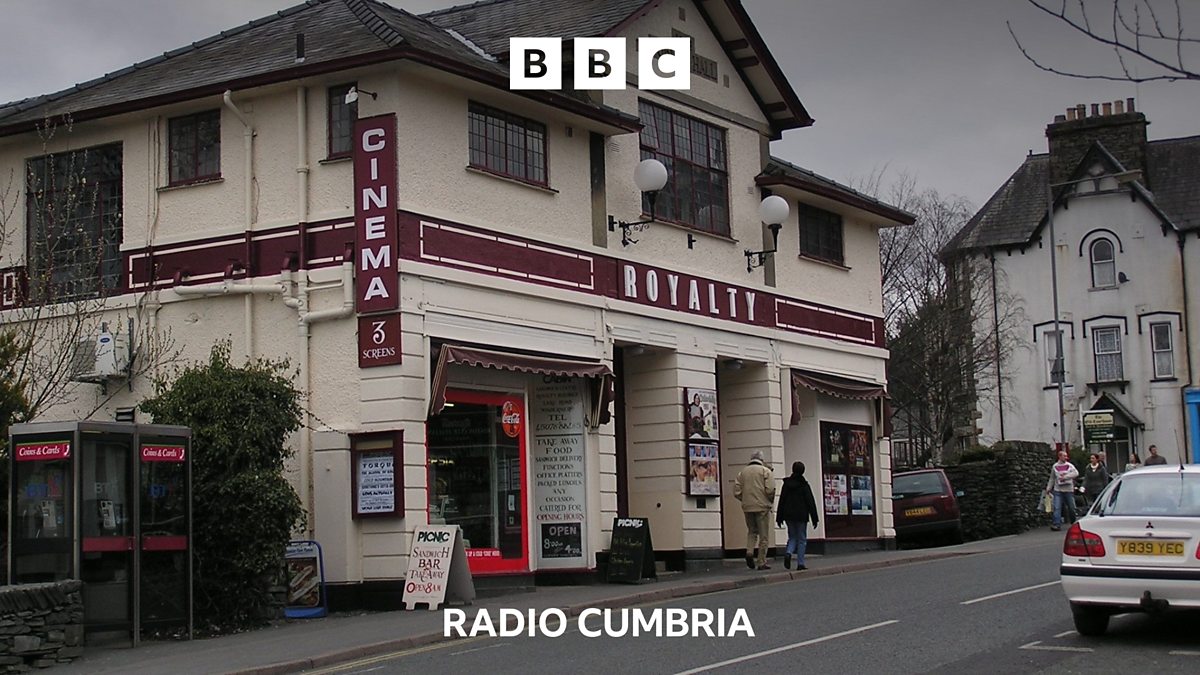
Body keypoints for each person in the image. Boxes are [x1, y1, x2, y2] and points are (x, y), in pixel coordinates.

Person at [734, 450, 775, 570]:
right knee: (764, 536)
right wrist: (769, 500)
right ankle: (761, 561)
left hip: (747, 506)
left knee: (752, 531)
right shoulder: (765, 471)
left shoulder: (742, 472)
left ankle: (749, 552)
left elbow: (737, 491)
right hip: (762, 506)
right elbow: (770, 489)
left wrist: (744, 499)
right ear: (761, 459)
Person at [775, 461, 819, 570]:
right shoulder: (804, 485)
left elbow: (782, 500)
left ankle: (789, 552)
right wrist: (815, 518)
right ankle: (800, 563)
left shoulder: (786, 484)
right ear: (803, 471)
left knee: (792, 537)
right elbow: (810, 502)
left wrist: (779, 517)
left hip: (788, 515)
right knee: (802, 539)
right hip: (801, 516)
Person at [1046, 449, 1079, 531]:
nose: (1066, 457)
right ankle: (1057, 524)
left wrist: (1065, 477)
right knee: (1057, 507)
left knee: (1071, 507)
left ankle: (1073, 521)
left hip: (1068, 490)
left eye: (1066, 456)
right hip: (1058, 490)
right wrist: (1049, 488)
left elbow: (1076, 473)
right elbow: (1052, 478)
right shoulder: (1055, 466)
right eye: (1064, 456)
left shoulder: (1070, 465)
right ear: (1059, 456)